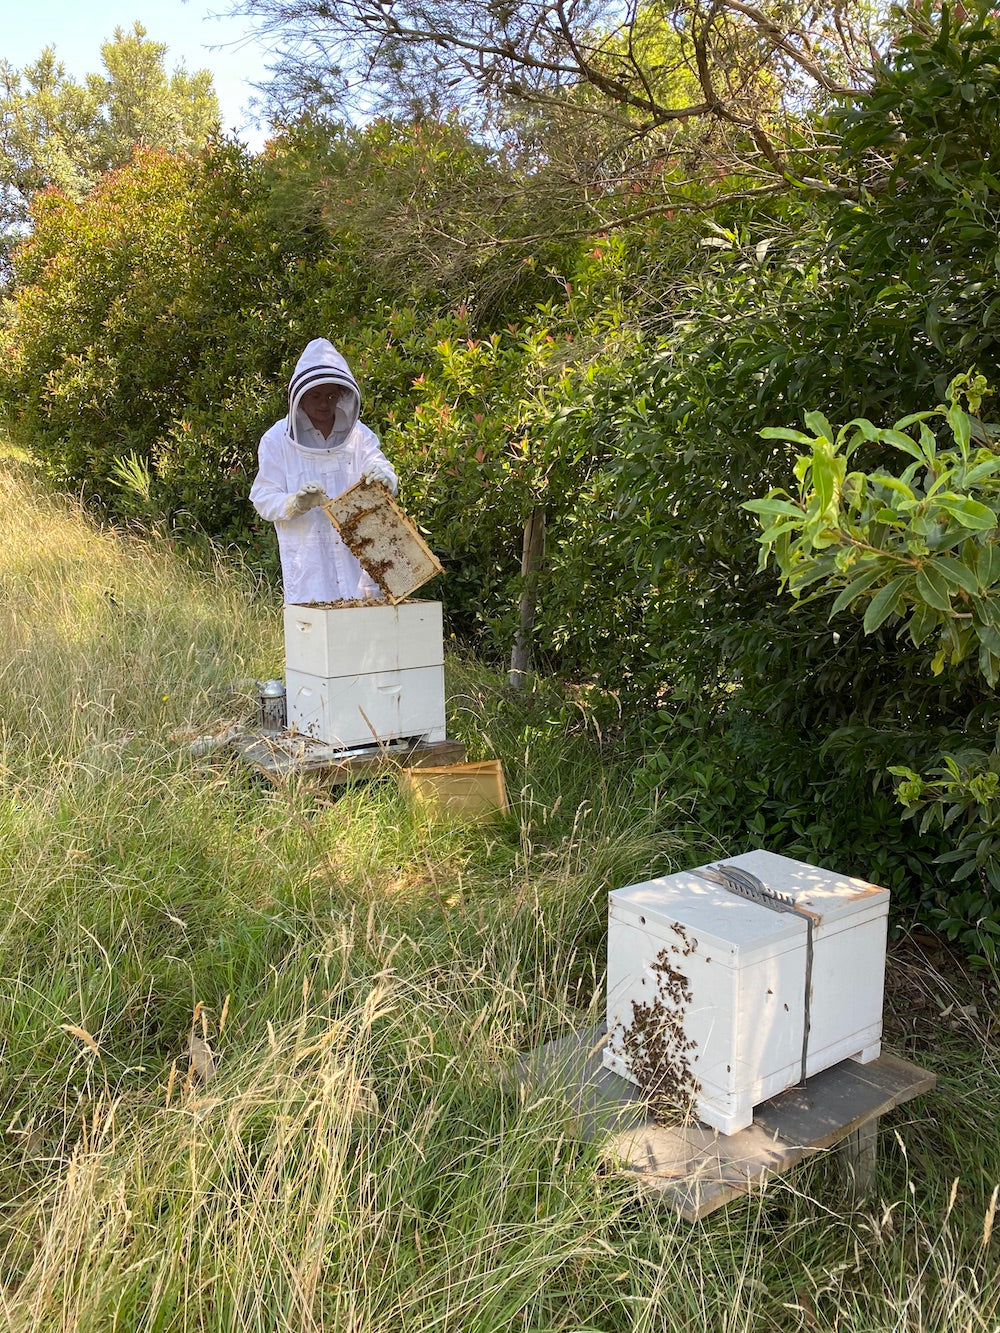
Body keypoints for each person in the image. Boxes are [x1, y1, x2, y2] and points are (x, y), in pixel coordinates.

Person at [250, 338, 398, 604]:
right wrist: (295, 502)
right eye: (316, 395)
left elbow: (382, 468)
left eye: (331, 395)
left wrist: (384, 476)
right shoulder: (276, 440)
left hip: (361, 574)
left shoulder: (360, 436)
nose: (323, 404)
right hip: (309, 574)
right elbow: (263, 498)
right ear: (300, 397)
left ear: (342, 396)